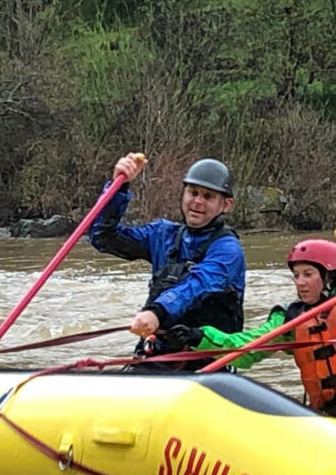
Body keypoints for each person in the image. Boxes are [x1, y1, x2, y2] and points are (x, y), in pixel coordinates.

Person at [192, 239, 336, 434]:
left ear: (330, 278)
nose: (300, 282)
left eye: (308, 274)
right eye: (296, 275)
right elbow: (246, 350)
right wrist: (198, 337)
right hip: (327, 414)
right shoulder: (290, 318)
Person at [87, 153, 246, 365]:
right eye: (193, 193)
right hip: (158, 353)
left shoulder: (228, 249)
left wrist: (156, 312)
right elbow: (104, 237)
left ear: (226, 205)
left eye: (208, 197)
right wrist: (118, 189)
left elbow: (197, 285)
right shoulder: (162, 234)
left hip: (207, 361)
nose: (197, 201)